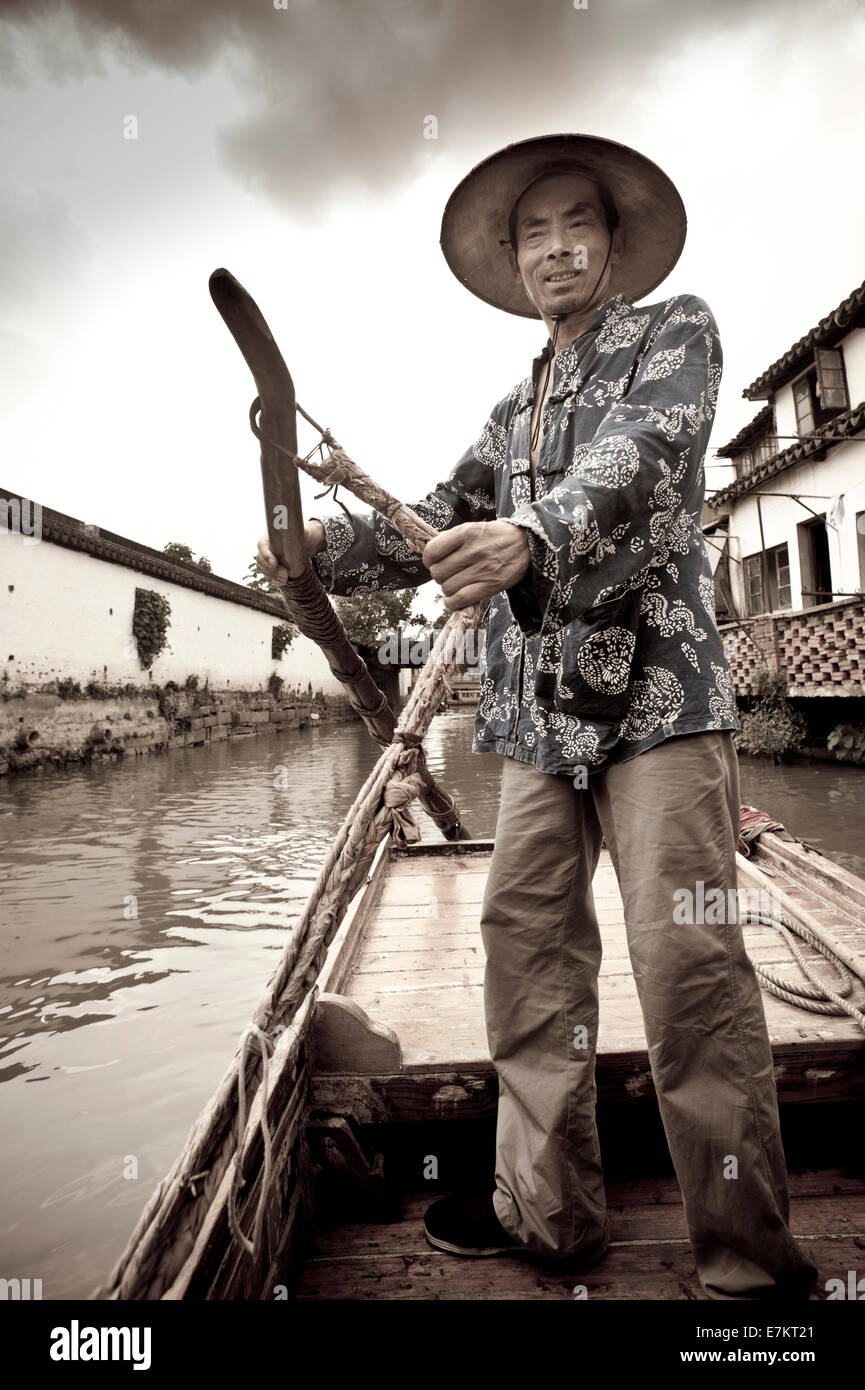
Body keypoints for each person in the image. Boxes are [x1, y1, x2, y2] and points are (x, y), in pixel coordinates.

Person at [257, 134, 819, 1301]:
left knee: (689, 967)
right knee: (527, 956)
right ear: (514, 263)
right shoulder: (510, 409)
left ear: (613, 245)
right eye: (534, 233)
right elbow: (431, 515)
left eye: (579, 224)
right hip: (531, 716)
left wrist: (536, 534)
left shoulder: (675, 334)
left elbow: (646, 453)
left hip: (658, 700)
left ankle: (747, 1265)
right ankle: (546, 1210)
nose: (557, 247)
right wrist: (324, 544)